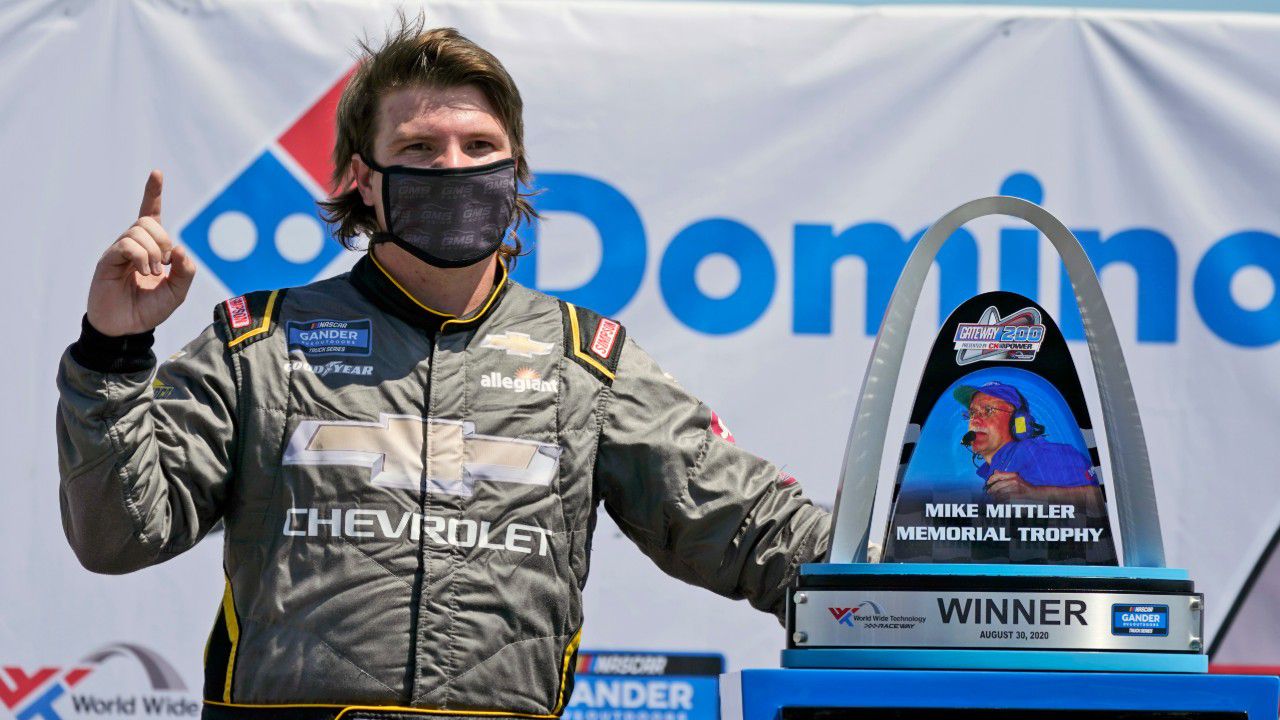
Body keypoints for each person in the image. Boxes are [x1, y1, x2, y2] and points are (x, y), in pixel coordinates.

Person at [54, 17, 829, 720]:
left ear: (515, 170)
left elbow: (751, 528)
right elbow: (118, 536)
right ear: (363, 178)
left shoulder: (582, 362)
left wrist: (924, 549)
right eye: (420, 150)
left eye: (479, 148)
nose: (453, 168)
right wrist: (110, 354)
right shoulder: (264, 342)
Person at [956, 381, 1102, 504]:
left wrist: (1033, 493)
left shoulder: (1045, 454)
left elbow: (1099, 498)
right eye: (972, 413)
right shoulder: (995, 468)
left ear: (1019, 421)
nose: (974, 420)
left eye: (988, 410)